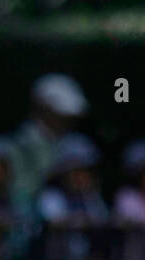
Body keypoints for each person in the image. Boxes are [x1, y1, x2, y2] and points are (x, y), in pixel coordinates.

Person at [10, 74, 88, 220]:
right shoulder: (23, 143)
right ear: (43, 109)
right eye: (60, 115)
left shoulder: (69, 141)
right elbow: (21, 192)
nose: (67, 121)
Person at [37, 133, 109, 260]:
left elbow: (102, 218)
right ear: (63, 173)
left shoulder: (91, 197)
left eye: (85, 172)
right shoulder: (52, 196)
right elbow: (53, 221)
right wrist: (80, 220)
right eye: (76, 172)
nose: (81, 177)